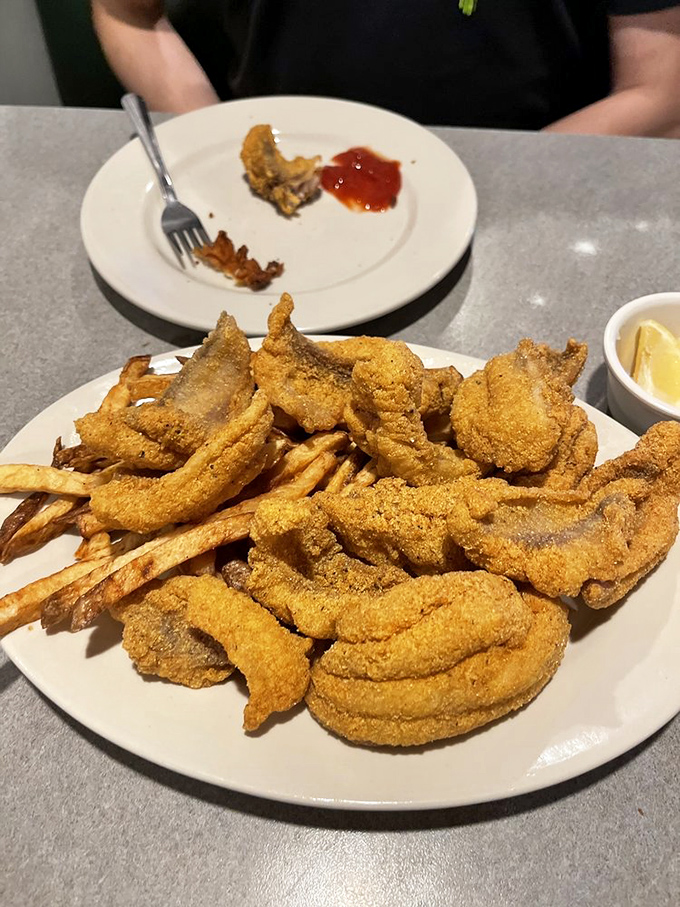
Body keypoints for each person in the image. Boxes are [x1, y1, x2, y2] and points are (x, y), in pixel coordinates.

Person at [91, 0, 680, 136]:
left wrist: (496, 182)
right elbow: (128, 12)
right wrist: (219, 140)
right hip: (283, 191)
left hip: (536, 185)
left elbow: (661, 89)